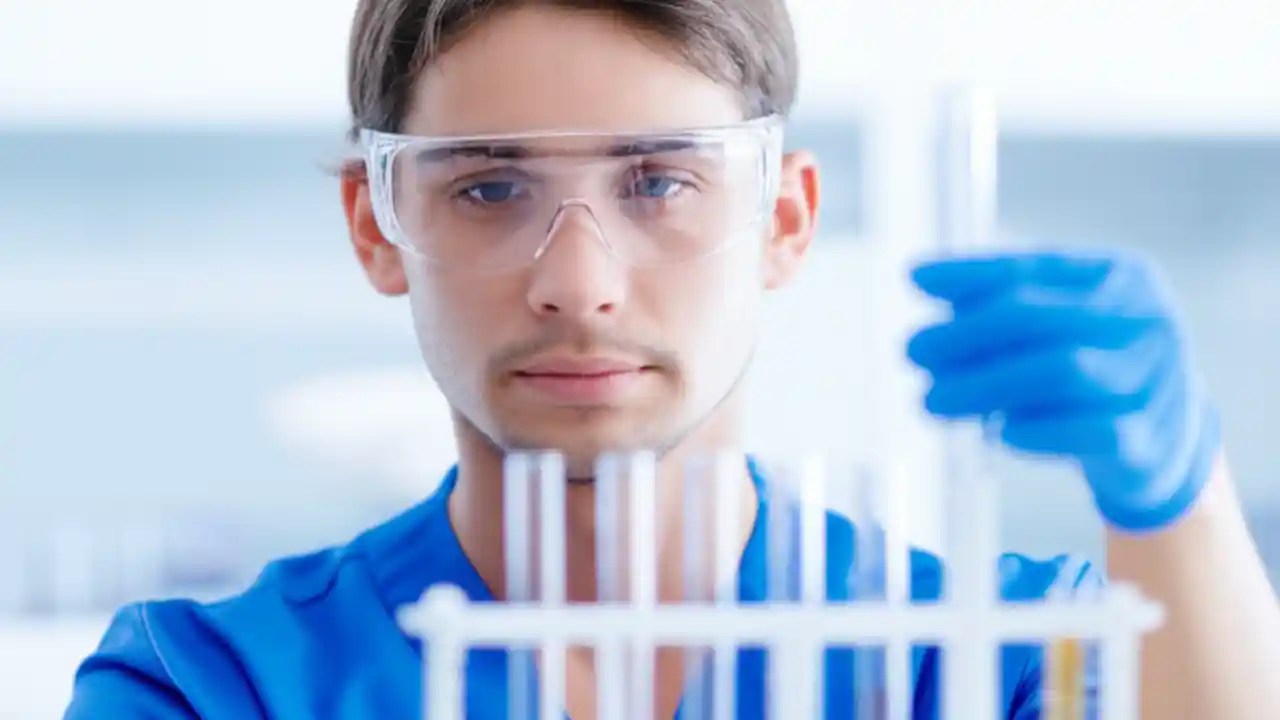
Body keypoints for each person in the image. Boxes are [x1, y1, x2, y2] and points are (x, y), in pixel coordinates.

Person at [65, 1, 1280, 718]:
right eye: (488, 187)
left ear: (785, 221)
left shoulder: (993, 656)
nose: (577, 278)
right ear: (376, 226)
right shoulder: (213, 687)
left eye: (659, 181)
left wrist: (1178, 504)